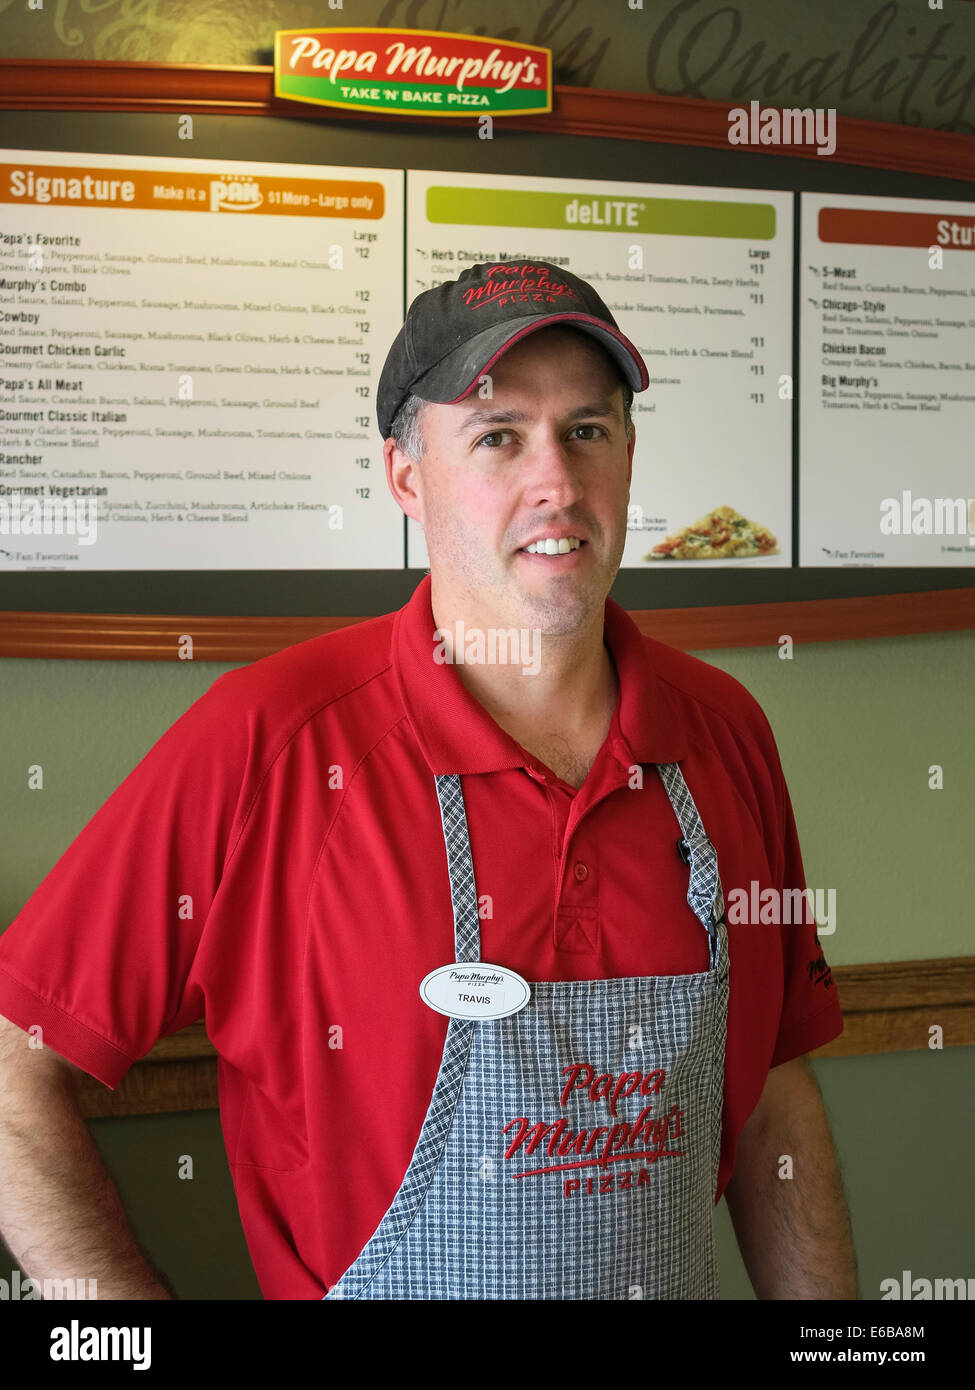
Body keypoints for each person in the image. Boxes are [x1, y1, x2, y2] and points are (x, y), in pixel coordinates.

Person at [0, 261, 855, 1300]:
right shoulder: (269, 742)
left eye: (587, 429)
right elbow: (14, 1063)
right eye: (499, 436)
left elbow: (773, 1091)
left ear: (629, 456)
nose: (557, 481)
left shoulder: (727, 737)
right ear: (407, 478)